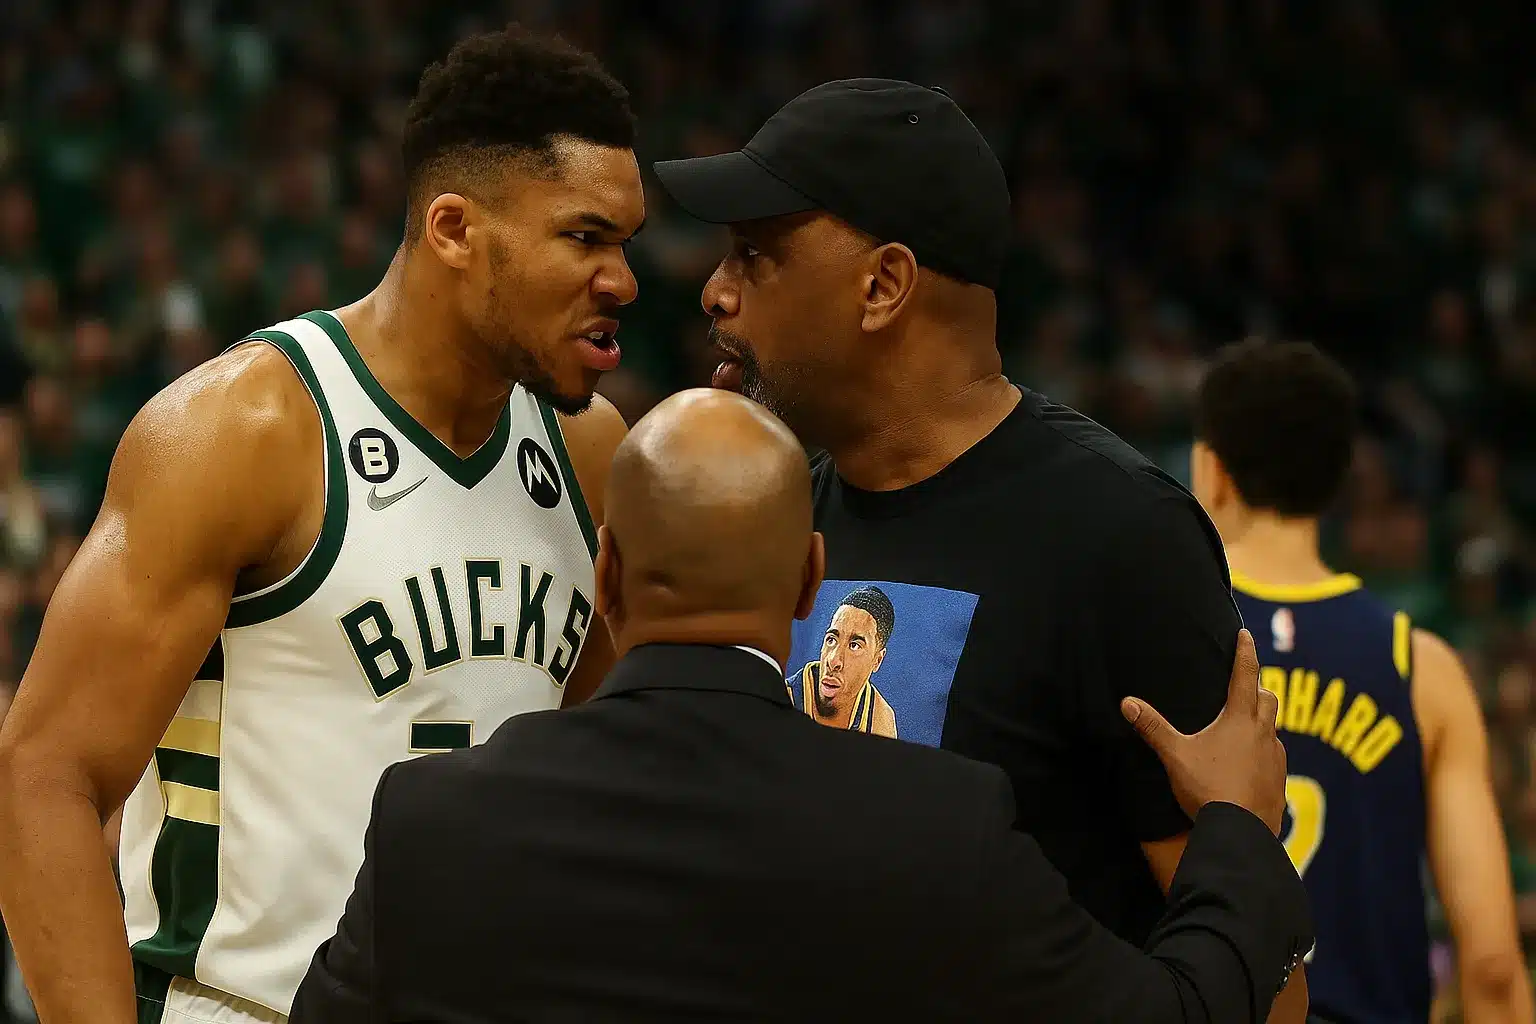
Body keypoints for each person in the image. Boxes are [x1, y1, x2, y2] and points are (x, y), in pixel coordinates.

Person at [291, 388, 1311, 1023]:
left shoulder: (428, 822)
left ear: (606, 575)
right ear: (810, 581)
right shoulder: (938, 828)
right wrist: (1235, 829)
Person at [0, 26, 640, 1024]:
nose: (623, 281)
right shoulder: (241, 429)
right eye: (584, 237)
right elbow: (42, 775)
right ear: (454, 229)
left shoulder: (593, 455)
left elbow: (596, 780)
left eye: (627, 243)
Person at [650, 79, 1317, 1014]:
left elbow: (1261, 975)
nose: (716, 291)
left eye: (756, 256)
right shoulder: (783, 514)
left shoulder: (1122, 539)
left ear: (883, 285)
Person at [1191, 340, 1535, 1024]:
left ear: (1211, 469)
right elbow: (1493, 965)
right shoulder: (1421, 666)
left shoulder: (1165, 635)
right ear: (1339, 477)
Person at [786, 583, 899, 737]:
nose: (833, 661)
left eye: (854, 645)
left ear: (877, 660)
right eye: (831, 639)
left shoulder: (880, 723)